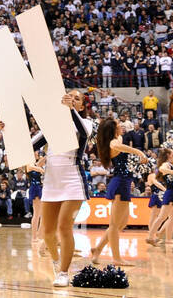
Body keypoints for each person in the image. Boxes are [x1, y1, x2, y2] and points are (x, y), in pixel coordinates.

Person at [36, 90, 95, 287]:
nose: (72, 99)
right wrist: (7, 131)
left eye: (77, 99)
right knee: (47, 232)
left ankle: (63, 273)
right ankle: (56, 261)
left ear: (81, 106)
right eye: (69, 96)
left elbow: (84, 133)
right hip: (51, 181)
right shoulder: (53, 126)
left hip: (72, 181)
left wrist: (70, 111)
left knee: (64, 227)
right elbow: (30, 144)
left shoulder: (86, 123)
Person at [93, 116, 149, 267]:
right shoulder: (114, 141)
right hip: (119, 183)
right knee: (115, 224)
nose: (121, 125)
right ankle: (116, 258)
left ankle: (97, 249)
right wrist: (138, 152)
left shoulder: (119, 139)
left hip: (123, 182)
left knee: (121, 223)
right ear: (113, 129)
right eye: (118, 124)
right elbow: (116, 146)